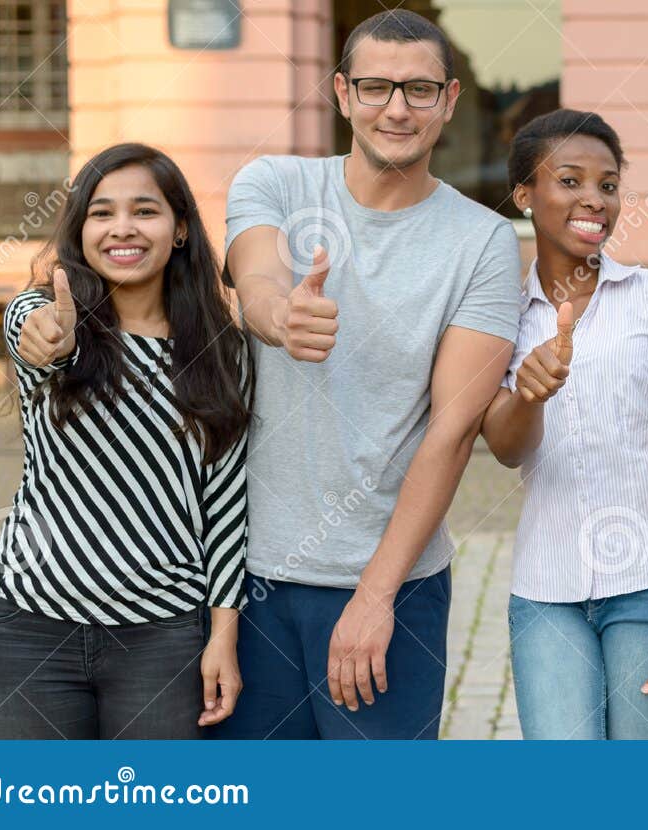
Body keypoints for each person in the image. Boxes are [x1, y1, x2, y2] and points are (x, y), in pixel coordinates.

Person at [214, 9, 520, 739]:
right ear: (342, 93)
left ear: (448, 101)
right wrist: (278, 315)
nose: (397, 108)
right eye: (377, 87)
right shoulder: (277, 184)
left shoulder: (483, 241)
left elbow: (451, 430)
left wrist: (376, 595)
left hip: (393, 586)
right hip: (245, 581)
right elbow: (254, 276)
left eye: (419, 90)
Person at [0, 143, 250, 739]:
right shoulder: (44, 314)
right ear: (80, 231)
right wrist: (48, 336)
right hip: (30, 628)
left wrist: (223, 636)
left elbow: (226, 506)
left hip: (162, 634)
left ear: (180, 229)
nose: (122, 228)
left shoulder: (222, 352)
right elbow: (41, 335)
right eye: (101, 212)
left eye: (144, 211)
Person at [480, 109, 648, 739]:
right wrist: (527, 396)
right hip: (546, 590)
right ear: (525, 194)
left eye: (608, 185)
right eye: (570, 180)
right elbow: (504, 450)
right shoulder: (498, 311)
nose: (594, 199)